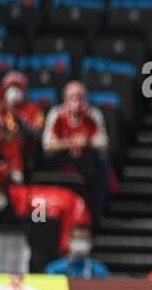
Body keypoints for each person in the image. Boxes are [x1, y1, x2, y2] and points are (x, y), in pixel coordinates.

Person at [41, 80, 110, 214]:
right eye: (72, 97)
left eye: (80, 97)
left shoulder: (93, 114)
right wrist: (69, 143)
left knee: (102, 161)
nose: (76, 101)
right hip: (63, 157)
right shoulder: (56, 114)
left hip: (85, 158)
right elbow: (47, 144)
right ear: (65, 99)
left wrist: (87, 142)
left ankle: (96, 212)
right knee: (46, 160)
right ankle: (46, 212)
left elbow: (103, 142)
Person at [44, 224, 109, 277]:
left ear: (90, 243)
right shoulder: (55, 269)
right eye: (77, 239)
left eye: (84, 240)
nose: (80, 244)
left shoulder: (100, 270)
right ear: (69, 242)